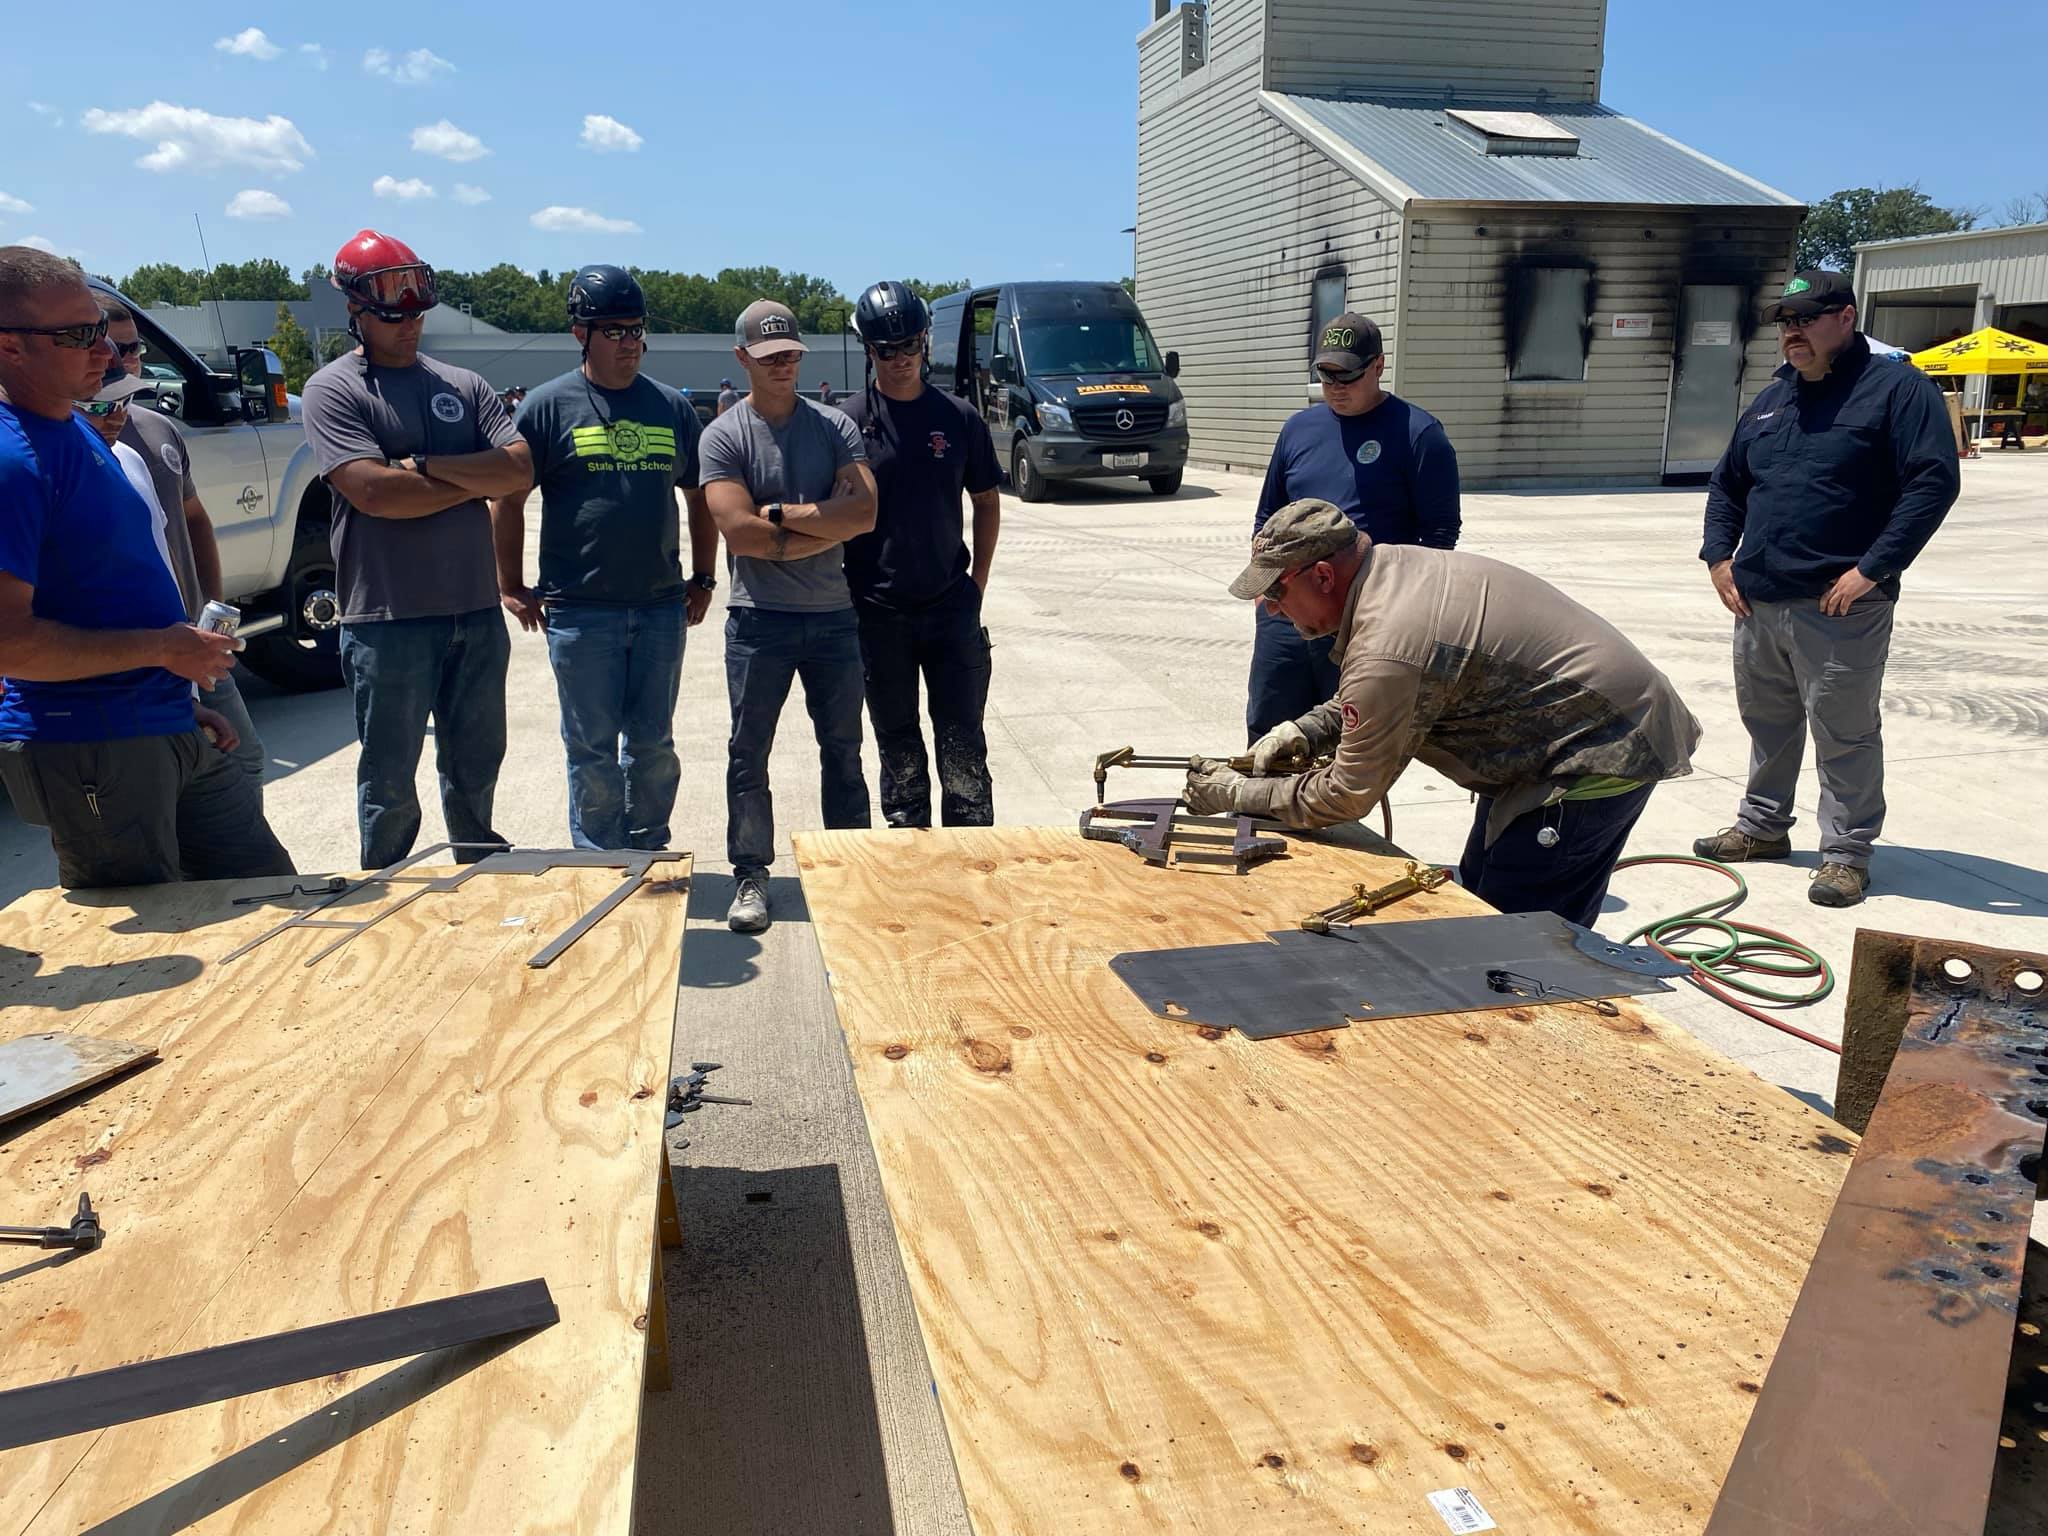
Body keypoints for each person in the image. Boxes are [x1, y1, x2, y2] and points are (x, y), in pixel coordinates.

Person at [1185, 499, 1699, 929]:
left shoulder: (1391, 639)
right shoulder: (1389, 569)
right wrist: (1305, 729)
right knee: (1481, 897)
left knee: (1522, 939)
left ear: (1322, 575)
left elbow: (1346, 794)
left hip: (1601, 748)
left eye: (1276, 591)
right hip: (1564, 733)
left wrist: (1238, 794)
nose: (1270, 608)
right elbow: (1396, 688)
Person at [0, 245, 292, 888]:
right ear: (10, 346)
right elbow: (9, 644)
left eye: (102, 330)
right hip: (90, 746)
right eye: (79, 336)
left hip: (164, 721)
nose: (107, 353)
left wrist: (175, 699)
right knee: (160, 936)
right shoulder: (12, 461)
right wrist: (164, 650)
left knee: (266, 892)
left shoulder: (77, 432)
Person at [1695, 270, 1961, 907]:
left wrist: (1873, 569)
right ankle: (1763, 827)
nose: (1793, 332)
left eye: (1806, 319)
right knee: (1769, 723)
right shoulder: (1772, 399)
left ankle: (1846, 854)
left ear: (1846, 317)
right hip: (1758, 598)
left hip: (1840, 604)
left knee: (1844, 732)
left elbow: (1933, 482)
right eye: (1786, 322)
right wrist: (1718, 558)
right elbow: (1728, 485)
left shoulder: (1897, 390)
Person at [300, 229, 533, 869]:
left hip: (475, 610)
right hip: (386, 617)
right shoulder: (334, 390)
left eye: (416, 314)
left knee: (476, 763)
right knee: (390, 778)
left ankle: (478, 868)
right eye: (391, 316)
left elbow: (517, 472)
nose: (409, 326)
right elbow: (374, 493)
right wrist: (471, 479)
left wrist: (423, 465)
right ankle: (388, 883)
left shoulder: (464, 384)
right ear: (355, 309)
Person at [492, 264, 716, 851]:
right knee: (590, 748)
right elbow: (507, 500)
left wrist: (704, 578)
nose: (628, 343)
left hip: (660, 608)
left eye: (635, 329)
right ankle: (599, 857)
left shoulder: (671, 407)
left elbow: (699, 498)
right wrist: (510, 584)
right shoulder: (546, 408)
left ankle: (648, 850)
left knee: (653, 745)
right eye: (613, 331)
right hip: (580, 612)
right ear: (580, 334)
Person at [698, 299, 877, 932]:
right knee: (749, 753)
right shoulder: (724, 435)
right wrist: (825, 523)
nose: (783, 365)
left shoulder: (834, 426)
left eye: (791, 355)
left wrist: (777, 514)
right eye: (770, 356)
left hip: (832, 617)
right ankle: (751, 874)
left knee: (845, 750)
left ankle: (849, 868)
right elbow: (737, 532)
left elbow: (865, 513)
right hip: (758, 619)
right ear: (742, 358)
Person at [1247, 312, 1460, 742]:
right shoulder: (1298, 429)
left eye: (1347, 376)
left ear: (1379, 366)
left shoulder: (1419, 434)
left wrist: (1404, 614)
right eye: (1326, 376)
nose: (1335, 387)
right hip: (1288, 612)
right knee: (1269, 731)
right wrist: (1263, 592)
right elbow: (1267, 518)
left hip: (1363, 618)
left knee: (1351, 736)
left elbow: (1439, 538)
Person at [839, 280, 1000, 827]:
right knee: (898, 745)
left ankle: (971, 848)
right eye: (887, 349)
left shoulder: (958, 417)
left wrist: (977, 583)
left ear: (925, 340)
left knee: (963, 746)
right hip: (877, 612)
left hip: (950, 605)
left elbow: (986, 500)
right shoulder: (847, 423)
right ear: (868, 349)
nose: (901, 358)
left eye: (909, 344)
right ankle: (909, 839)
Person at [101, 299, 266, 793]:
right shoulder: (74, 439)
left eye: (135, 348)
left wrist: (213, 610)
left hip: (195, 642)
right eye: (116, 349)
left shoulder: (158, 429)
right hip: (132, 658)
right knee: (158, 786)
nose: (129, 360)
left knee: (244, 760)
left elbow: (195, 521)